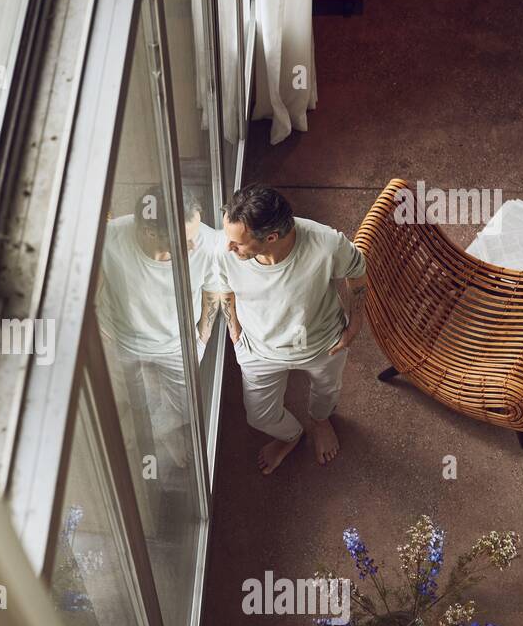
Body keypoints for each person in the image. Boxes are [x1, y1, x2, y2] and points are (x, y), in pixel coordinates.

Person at [213, 185, 369, 475]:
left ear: (271, 238)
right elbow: (225, 290)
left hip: (323, 344)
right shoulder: (225, 254)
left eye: (237, 243)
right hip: (258, 349)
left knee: (326, 393)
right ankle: (290, 435)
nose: (228, 247)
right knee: (259, 416)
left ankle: (320, 422)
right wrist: (233, 328)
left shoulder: (327, 243)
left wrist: (356, 322)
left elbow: (357, 272)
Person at [97, 185, 223, 477]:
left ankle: (164, 430)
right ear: (150, 233)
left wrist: (201, 337)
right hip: (121, 339)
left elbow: (213, 291)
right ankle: (139, 419)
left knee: (182, 398)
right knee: (128, 390)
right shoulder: (109, 240)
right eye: (186, 241)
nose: (195, 245)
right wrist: (99, 322)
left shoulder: (207, 242)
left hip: (177, 344)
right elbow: (89, 281)